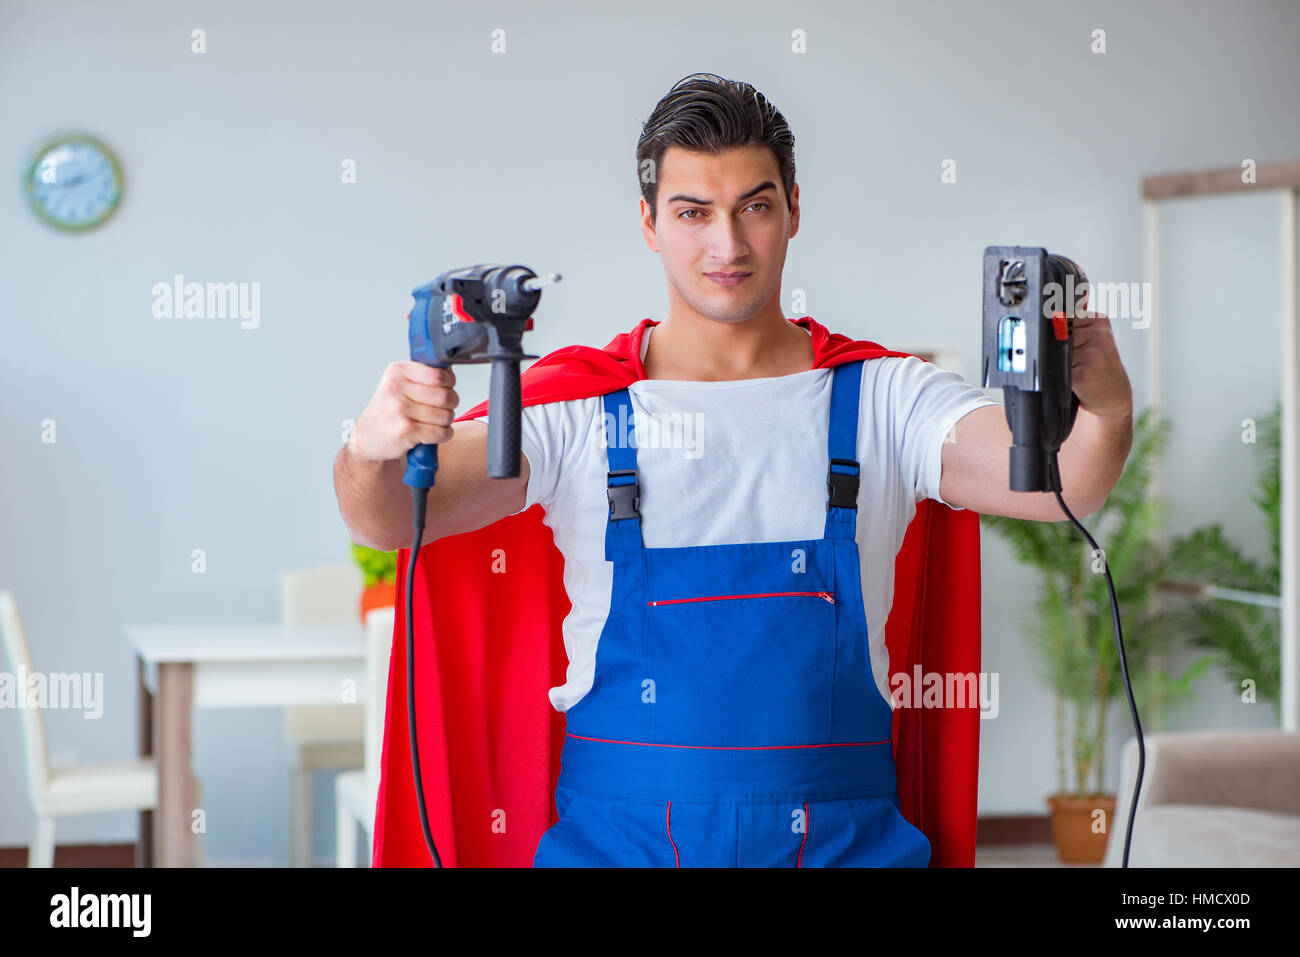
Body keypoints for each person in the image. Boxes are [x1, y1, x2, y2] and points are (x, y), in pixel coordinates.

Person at [334, 73, 1133, 867]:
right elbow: (391, 517)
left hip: (844, 843)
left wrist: (1106, 407)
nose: (728, 245)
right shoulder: (575, 409)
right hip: (618, 842)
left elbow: (1062, 480)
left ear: (793, 209)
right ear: (649, 222)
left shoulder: (886, 396)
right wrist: (369, 449)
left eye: (754, 206)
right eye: (693, 213)